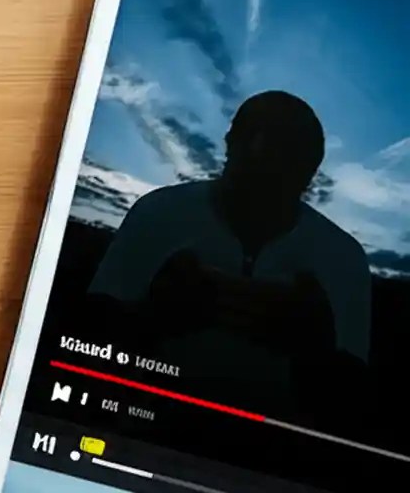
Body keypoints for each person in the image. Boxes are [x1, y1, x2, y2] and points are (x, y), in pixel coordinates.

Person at [85, 91, 372, 422]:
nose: (262, 156)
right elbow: (91, 333)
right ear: (231, 142)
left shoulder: (344, 258)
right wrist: (152, 317)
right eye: (256, 139)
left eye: (287, 150)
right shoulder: (156, 212)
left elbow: (352, 402)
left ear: (311, 170)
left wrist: (314, 351)